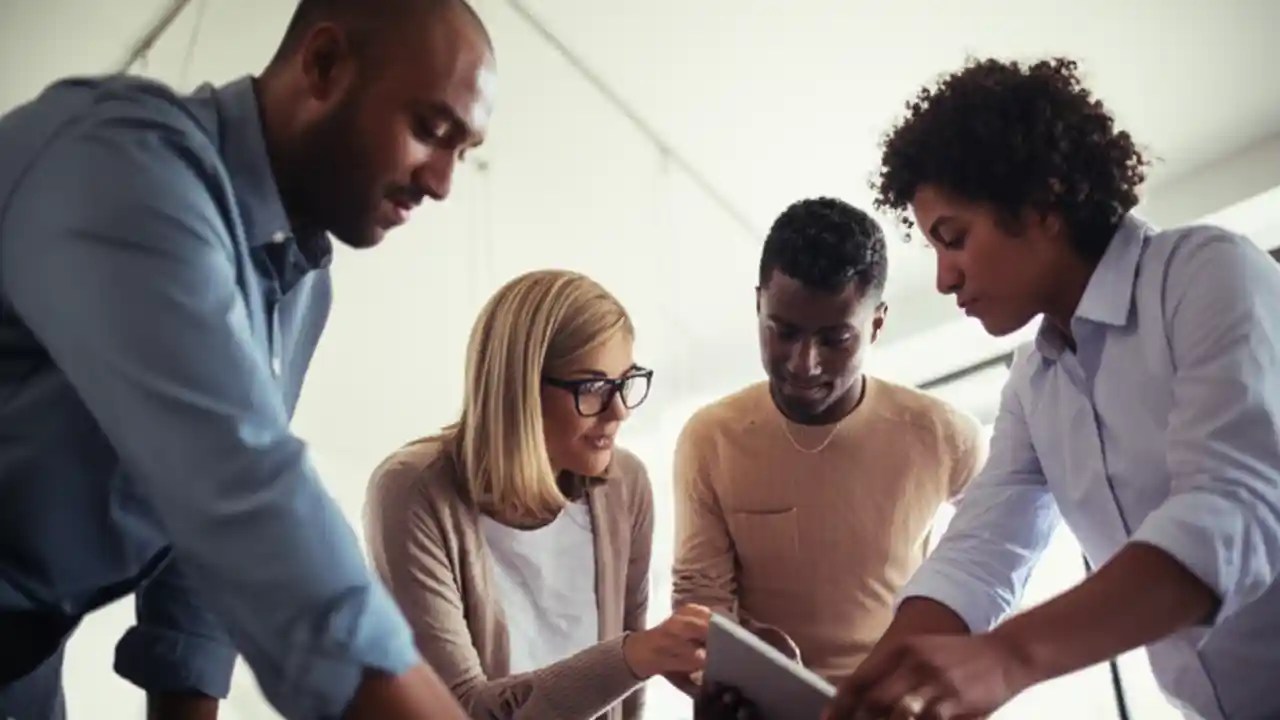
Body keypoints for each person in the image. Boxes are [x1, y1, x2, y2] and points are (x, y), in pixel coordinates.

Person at [0, 0, 495, 718]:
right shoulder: (120, 166)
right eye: (429, 130)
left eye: (463, 151)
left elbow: (196, 558)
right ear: (323, 65)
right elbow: (247, 496)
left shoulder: (302, 283)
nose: (442, 182)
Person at [826, 57, 1280, 720]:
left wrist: (1008, 658)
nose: (944, 279)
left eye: (954, 239)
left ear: (1044, 202)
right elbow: (980, 556)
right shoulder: (1035, 384)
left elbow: (1231, 510)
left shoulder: (1205, 274)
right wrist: (853, 701)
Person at [364, 269, 710, 720]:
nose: (619, 410)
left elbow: (627, 700)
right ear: (519, 387)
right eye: (592, 387)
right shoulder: (413, 491)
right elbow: (459, 708)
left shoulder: (625, 485)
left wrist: (645, 661)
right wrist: (635, 657)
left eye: (625, 381)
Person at [672, 197, 987, 689]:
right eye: (784, 332)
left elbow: (991, 573)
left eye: (835, 340)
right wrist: (718, 685)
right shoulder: (711, 438)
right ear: (759, 305)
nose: (804, 364)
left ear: (876, 324)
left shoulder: (946, 437)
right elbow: (698, 610)